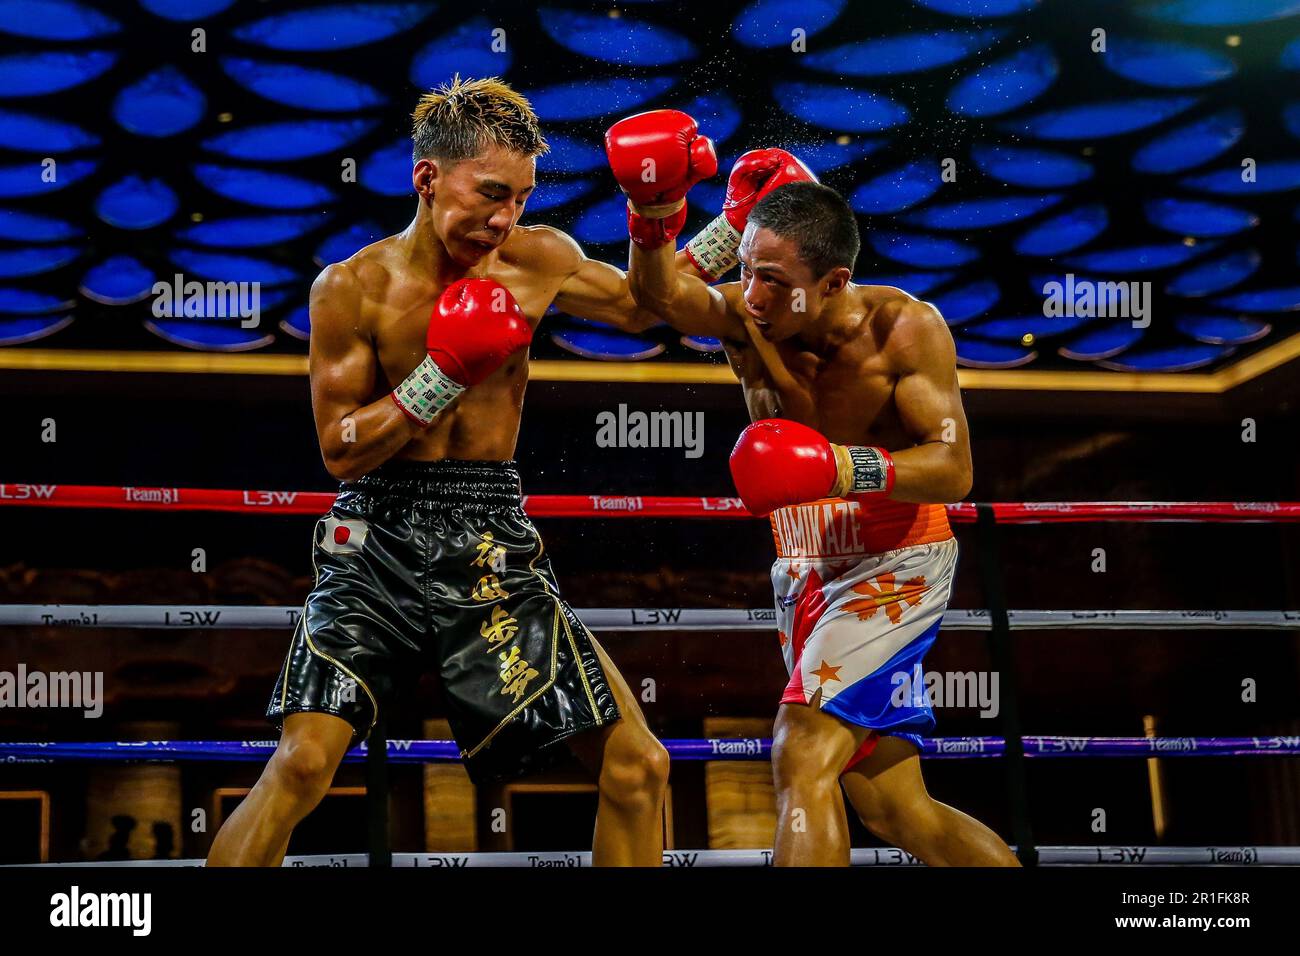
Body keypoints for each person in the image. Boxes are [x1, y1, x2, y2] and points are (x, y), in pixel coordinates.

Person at [206, 79, 766, 867]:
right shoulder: (351, 287)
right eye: (491, 195)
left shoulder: (538, 258)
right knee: (301, 765)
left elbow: (646, 307)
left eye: (521, 197)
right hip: (375, 537)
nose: (504, 218)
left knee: (639, 765)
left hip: (489, 534)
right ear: (427, 178)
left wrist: (694, 219)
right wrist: (444, 373)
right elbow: (339, 449)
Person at [607, 129, 1020, 865]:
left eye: (773, 279)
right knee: (896, 807)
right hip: (801, 568)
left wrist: (834, 468)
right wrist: (654, 211)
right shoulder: (745, 319)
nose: (752, 296)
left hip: (896, 559)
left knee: (800, 753)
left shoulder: (904, 329)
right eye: (745, 272)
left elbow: (953, 469)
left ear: (833, 283)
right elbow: (654, 298)